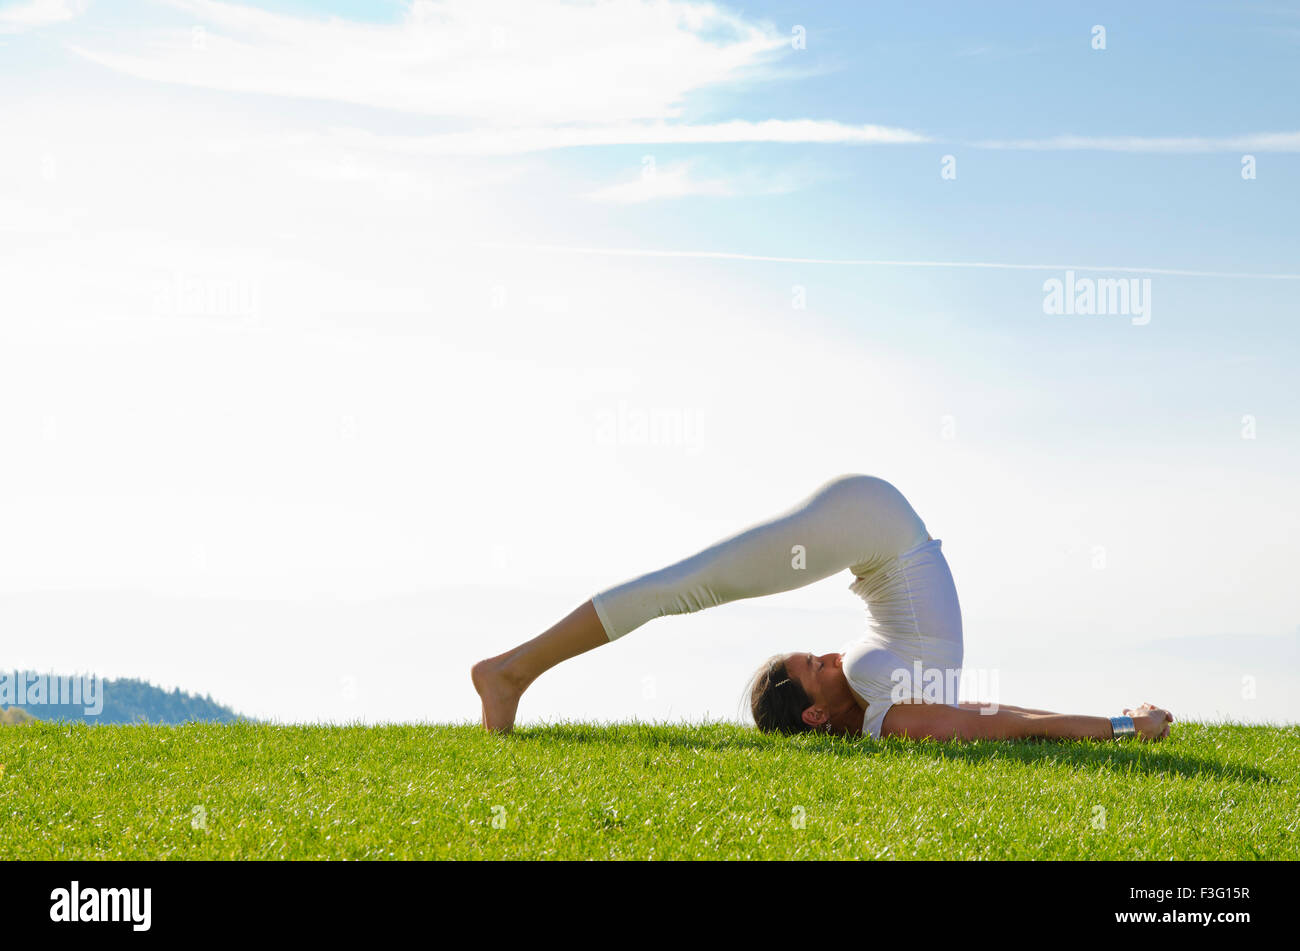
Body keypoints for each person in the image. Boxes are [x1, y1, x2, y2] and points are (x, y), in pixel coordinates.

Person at [471, 474, 1173, 742]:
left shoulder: (875, 702)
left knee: (695, 584)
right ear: (814, 711)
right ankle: (509, 671)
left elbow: (1003, 721)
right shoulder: (892, 716)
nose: (830, 653)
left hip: (872, 527)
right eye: (814, 665)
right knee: (690, 585)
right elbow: (1005, 721)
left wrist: (1119, 724)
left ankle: (513, 671)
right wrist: (1119, 724)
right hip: (873, 524)